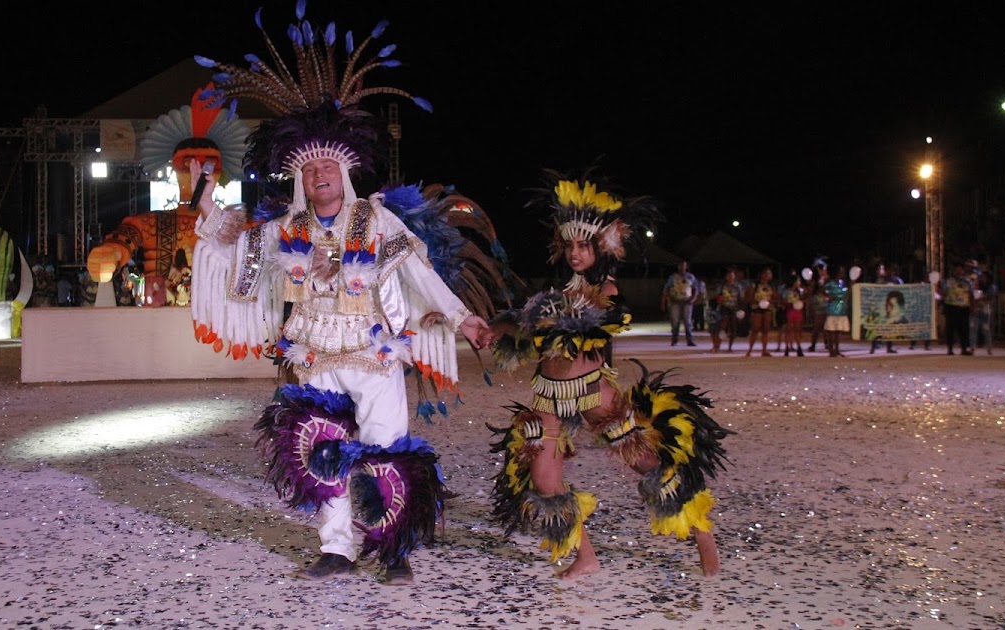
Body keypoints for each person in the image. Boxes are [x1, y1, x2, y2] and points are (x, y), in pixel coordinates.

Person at [187, 5, 489, 586]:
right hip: (315, 354)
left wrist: (462, 319)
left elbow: (420, 278)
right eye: (308, 170)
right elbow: (236, 253)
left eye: (327, 166)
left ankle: (392, 546)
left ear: (343, 174)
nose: (317, 175)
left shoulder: (376, 222)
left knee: (383, 450)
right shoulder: (284, 231)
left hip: (375, 353)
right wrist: (206, 208)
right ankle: (337, 548)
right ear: (300, 180)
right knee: (322, 450)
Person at [481, 169, 731, 579]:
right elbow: (532, 324)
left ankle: (702, 532)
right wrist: (497, 327)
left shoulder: (608, 292)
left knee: (647, 462)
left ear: (603, 246)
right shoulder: (559, 293)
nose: (575, 253)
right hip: (548, 395)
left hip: (592, 393)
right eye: (570, 245)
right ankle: (585, 556)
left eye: (584, 245)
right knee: (544, 478)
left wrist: (529, 318)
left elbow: (572, 324)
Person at [85, 83, 249, 290]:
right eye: (188, 161)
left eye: (209, 162)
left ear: (220, 169)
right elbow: (125, 239)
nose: (197, 170)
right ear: (173, 166)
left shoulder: (239, 226)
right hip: (163, 316)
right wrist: (110, 253)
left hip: (220, 317)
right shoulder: (150, 223)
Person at [661, 259, 699, 347]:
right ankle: (674, 340)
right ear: (678, 267)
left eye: (684, 265)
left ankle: (690, 340)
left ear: (686, 267)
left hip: (687, 302)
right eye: (681, 266)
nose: (682, 267)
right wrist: (666, 300)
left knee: (688, 322)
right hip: (675, 301)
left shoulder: (690, 277)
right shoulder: (673, 277)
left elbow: (695, 289)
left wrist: (693, 299)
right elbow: (666, 289)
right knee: (675, 322)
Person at [940, 262, 975, 355]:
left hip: (964, 308)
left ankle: (964, 349)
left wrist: (972, 307)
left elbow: (971, 295)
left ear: (963, 271)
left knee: (964, 329)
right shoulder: (948, 281)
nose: (958, 272)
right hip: (951, 307)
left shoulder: (967, 282)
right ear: (953, 271)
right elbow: (943, 294)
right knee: (950, 329)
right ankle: (950, 349)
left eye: (960, 270)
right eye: (957, 270)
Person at [868, 263, 903, 354]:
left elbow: (902, 292)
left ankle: (889, 347)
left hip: (892, 307)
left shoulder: (897, 281)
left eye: (892, 270)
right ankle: (873, 347)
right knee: (878, 327)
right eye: (889, 270)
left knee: (890, 327)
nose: (890, 272)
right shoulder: (880, 281)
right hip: (881, 306)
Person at [743, 266, 778, 357]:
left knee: (766, 330)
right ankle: (750, 350)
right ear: (761, 275)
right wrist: (758, 302)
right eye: (766, 273)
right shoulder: (755, 285)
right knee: (755, 329)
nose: (768, 275)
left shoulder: (771, 286)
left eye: (769, 274)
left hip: (767, 309)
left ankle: (764, 350)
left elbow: (775, 297)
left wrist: (770, 302)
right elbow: (749, 297)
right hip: (757, 308)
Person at [711, 266, 746, 352]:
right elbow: (716, 297)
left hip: (735, 308)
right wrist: (719, 299)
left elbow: (741, 298)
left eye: (732, 276)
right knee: (723, 327)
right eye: (729, 276)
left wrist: (741, 310)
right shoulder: (722, 286)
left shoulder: (738, 287)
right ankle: (717, 346)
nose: (731, 278)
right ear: (726, 277)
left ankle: (730, 347)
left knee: (733, 328)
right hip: (724, 307)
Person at [822, 265, 852, 357]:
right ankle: (831, 351)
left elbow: (846, 293)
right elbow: (822, 290)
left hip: (842, 309)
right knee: (831, 331)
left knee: (837, 331)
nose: (842, 273)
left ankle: (837, 350)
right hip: (833, 309)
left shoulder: (842, 283)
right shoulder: (830, 283)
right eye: (841, 271)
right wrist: (828, 297)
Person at [780, 271, 805, 357]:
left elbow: (802, 300)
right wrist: (789, 305)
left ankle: (799, 347)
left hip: (798, 312)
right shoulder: (787, 291)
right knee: (789, 330)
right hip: (790, 311)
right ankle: (787, 347)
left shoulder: (799, 291)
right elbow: (783, 301)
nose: (799, 283)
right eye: (798, 281)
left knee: (798, 330)